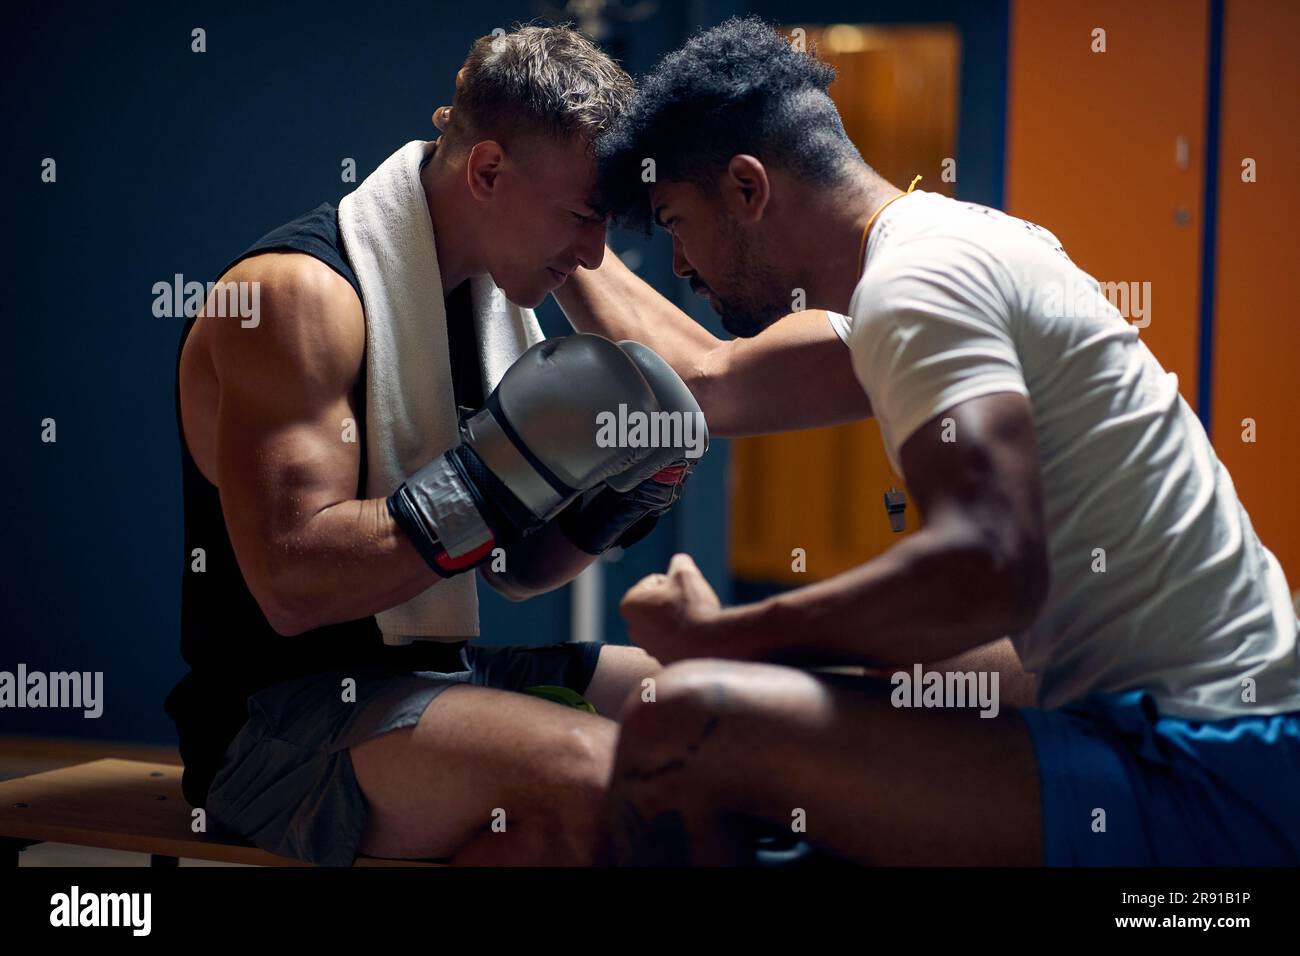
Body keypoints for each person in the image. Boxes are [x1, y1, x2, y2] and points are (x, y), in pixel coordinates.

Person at [551, 17, 1300, 865]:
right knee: (872, 688)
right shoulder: (946, 247)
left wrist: (726, 638)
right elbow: (706, 379)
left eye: (678, 223)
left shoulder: (918, 288)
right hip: (1213, 721)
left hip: (1212, 766)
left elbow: (987, 567)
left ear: (749, 190)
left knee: (682, 726)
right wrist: (564, 236)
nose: (681, 265)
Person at [164, 24, 704, 867]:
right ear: (487, 170)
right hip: (279, 723)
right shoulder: (294, 299)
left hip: (433, 679)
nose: (594, 254)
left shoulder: (488, 304)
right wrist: (498, 475)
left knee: (718, 716)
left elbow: (513, 570)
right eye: (580, 218)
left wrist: (614, 505)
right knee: (597, 777)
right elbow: (293, 584)